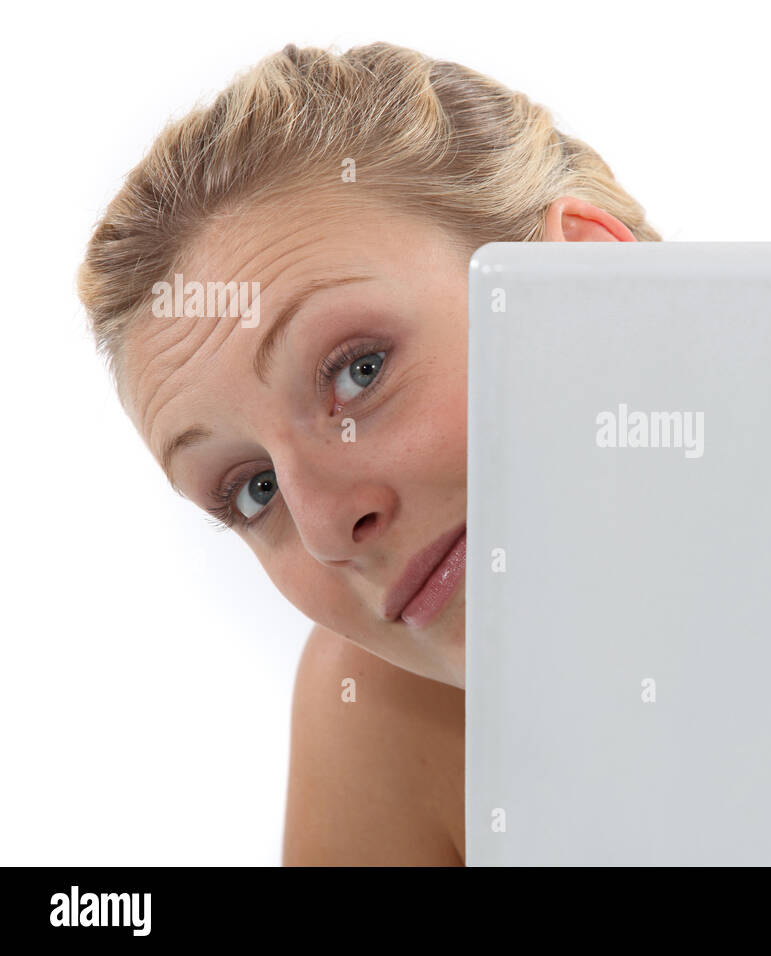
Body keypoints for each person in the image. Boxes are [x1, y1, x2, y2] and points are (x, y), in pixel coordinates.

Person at [76, 41, 661, 865]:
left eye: (359, 371)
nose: (323, 525)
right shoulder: (385, 714)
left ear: (590, 286)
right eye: (254, 491)